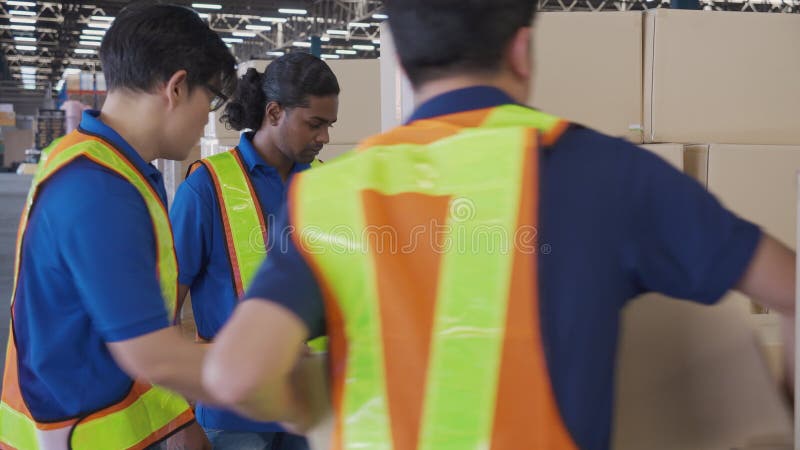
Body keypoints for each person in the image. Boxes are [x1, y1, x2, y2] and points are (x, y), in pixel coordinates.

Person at [203, 1, 796, 449]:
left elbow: (236, 373)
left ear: (403, 63)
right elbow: (789, 287)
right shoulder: (611, 174)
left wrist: (298, 407)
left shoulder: (328, 196)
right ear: (521, 51)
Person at [0, 4, 236, 449]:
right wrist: (284, 380)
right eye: (212, 99)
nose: (209, 117)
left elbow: (119, 328)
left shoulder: (102, 163)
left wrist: (180, 425)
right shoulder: (98, 188)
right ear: (177, 88)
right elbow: (152, 356)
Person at [170, 52, 339, 449]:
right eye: (315, 124)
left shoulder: (326, 187)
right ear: (275, 112)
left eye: (330, 126)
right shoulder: (205, 188)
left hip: (309, 408)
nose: (324, 138)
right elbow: (164, 309)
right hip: (233, 415)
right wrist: (177, 418)